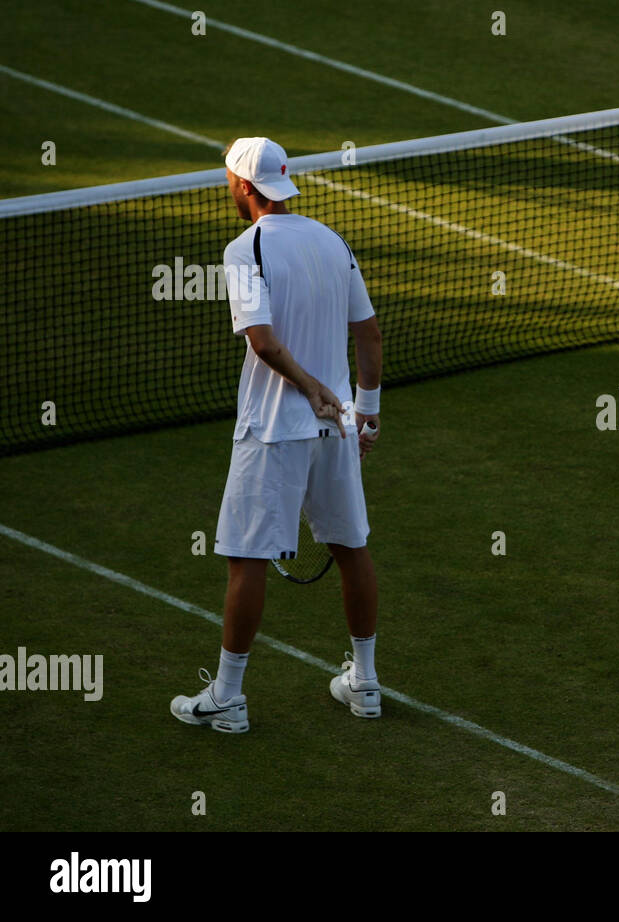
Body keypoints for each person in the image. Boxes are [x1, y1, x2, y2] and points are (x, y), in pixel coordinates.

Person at [170, 136, 384, 733]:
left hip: (272, 431)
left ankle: (229, 698)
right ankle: (364, 683)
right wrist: (364, 413)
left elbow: (261, 341)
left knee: (246, 560)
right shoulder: (333, 241)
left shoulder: (245, 250)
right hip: (335, 429)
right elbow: (369, 336)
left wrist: (311, 386)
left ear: (243, 186)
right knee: (351, 548)